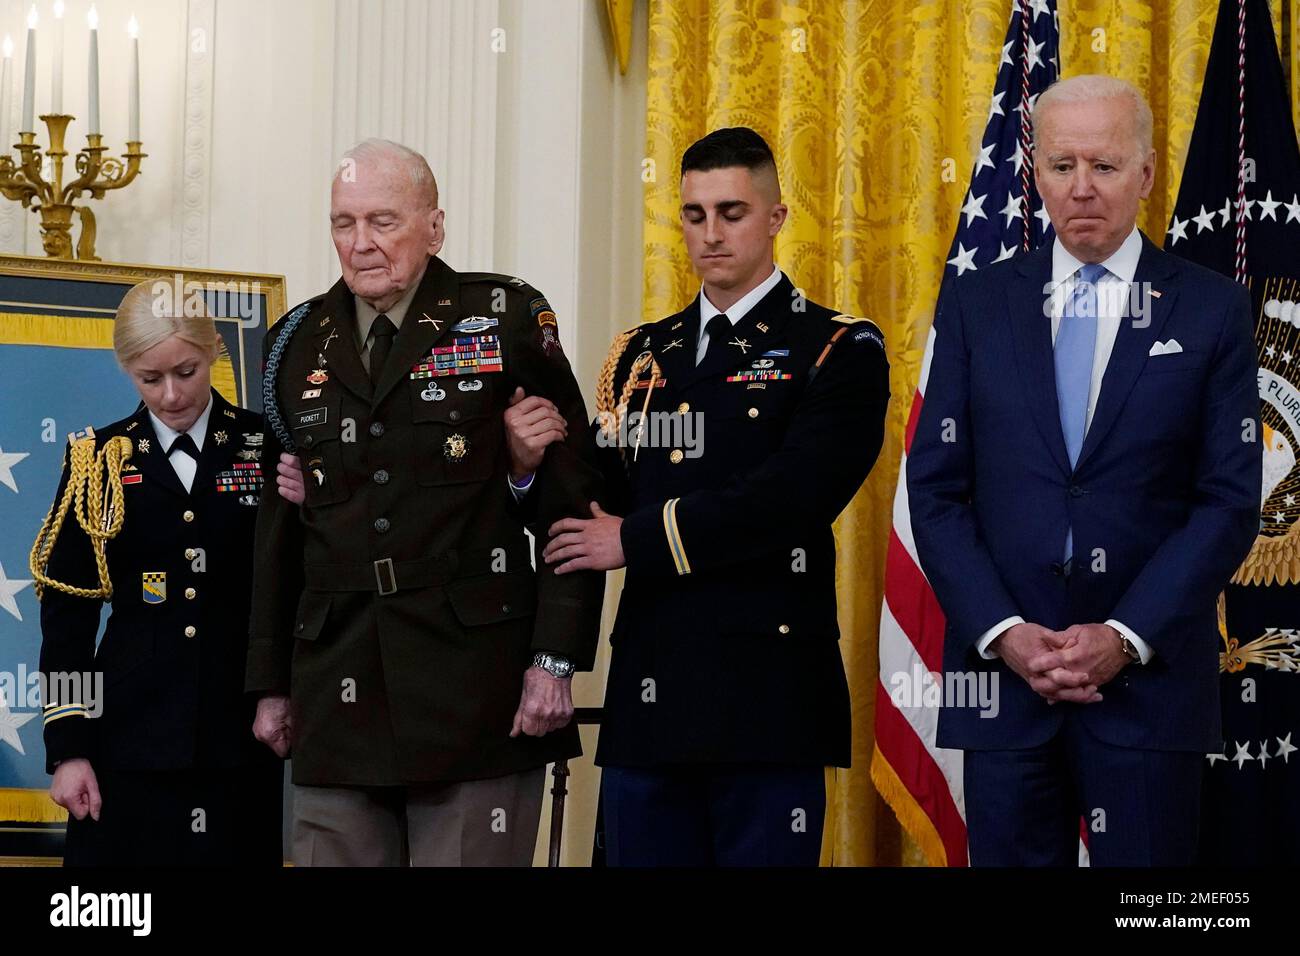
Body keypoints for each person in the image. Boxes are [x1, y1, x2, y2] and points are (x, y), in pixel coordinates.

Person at [506, 127, 890, 866]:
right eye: (693, 213)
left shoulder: (837, 348)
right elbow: (591, 502)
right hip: (651, 692)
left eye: (732, 212)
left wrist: (636, 540)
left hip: (766, 698)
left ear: (776, 218)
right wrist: (525, 468)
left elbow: (792, 497)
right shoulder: (642, 353)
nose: (710, 234)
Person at [907, 75, 1262, 866]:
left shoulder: (1212, 309)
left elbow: (1229, 500)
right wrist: (1004, 634)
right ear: (1035, 176)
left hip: (1148, 689)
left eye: (1104, 166)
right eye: (1062, 166)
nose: (1082, 189)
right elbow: (934, 489)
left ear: (1145, 173)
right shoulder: (978, 303)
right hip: (1004, 685)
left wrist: (1124, 636)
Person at [247, 138, 604, 867]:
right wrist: (270, 684)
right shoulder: (293, 341)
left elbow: (573, 502)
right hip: (335, 684)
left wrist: (556, 662)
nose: (361, 244)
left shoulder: (504, 316)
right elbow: (281, 526)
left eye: (383, 220)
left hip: (474, 686)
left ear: (434, 227)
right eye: (344, 223)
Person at [31, 281, 283, 866]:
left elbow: (293, 587)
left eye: (187, 371)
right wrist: (68, 749)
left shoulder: (265, 447)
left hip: (238, 737)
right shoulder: (97, 458)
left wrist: (280, 690)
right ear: (126, 370)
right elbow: (67, 616)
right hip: (124, 739)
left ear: (215, 349)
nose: (171, 395)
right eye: (150, 379)